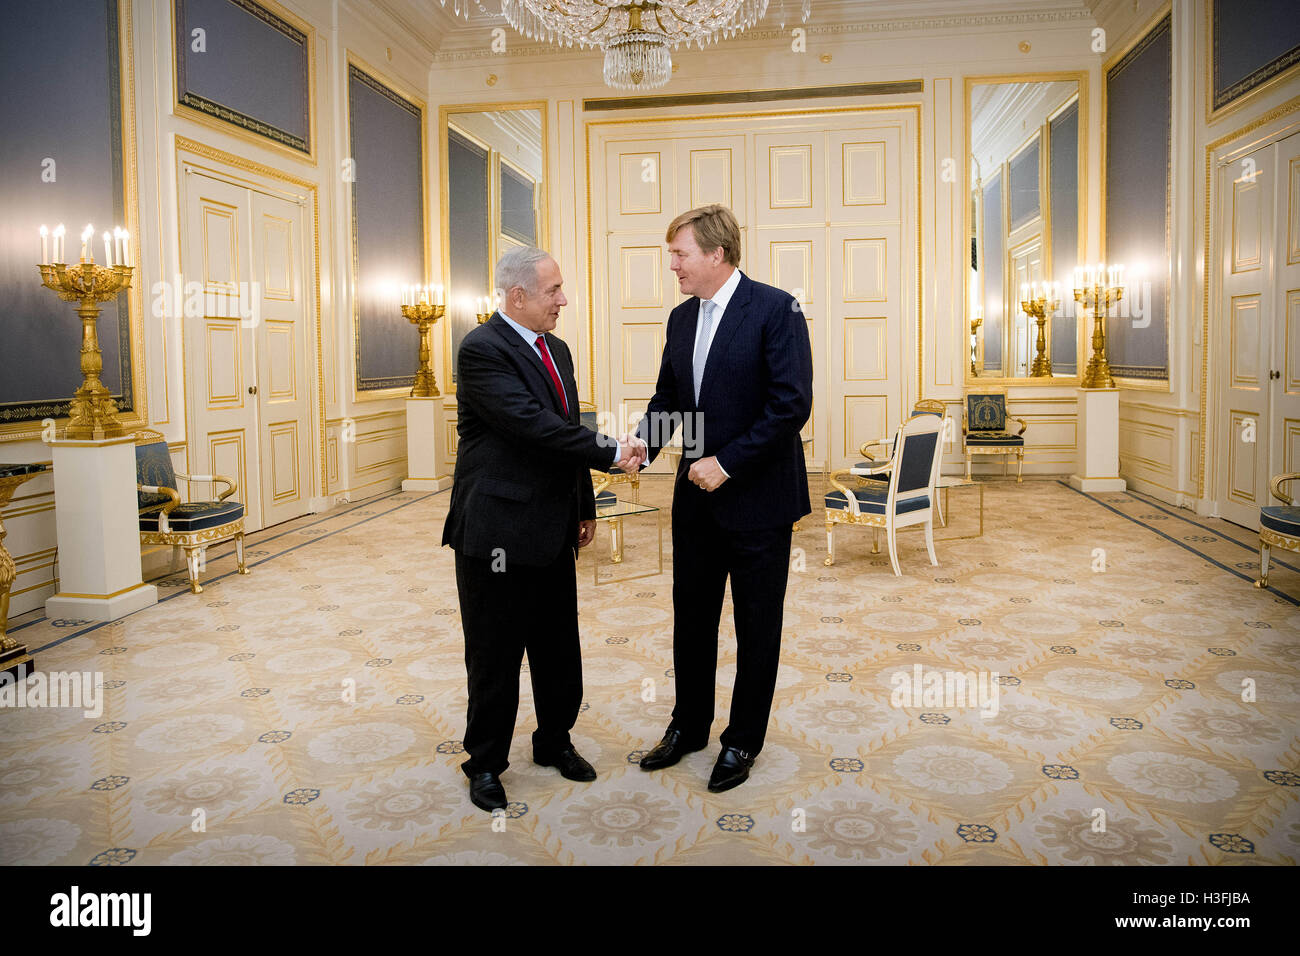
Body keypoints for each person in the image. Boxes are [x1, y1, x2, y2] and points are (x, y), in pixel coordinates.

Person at [442, 246, 644, 812]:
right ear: (517, 297)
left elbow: (564, 430)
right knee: (495, 654)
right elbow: (531, 428)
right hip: (498, 533)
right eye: (553, 290)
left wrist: (584, 505)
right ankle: (484, 763)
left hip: (552, 526)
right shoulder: (482, 349)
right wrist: (614, 450)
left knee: (560, 648)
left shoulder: (557, 348)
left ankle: (554, 741)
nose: (563, 300)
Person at [631, 204, 813, 793]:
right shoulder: (682, 318)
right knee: (693, 618)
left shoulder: (776, 308)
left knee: (757, 625)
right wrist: (642, 446)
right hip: (695, 501)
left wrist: (727, 464)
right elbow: (668, 399)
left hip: (759, 499)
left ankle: (741, 741)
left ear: (717, 254)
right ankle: (689, 727)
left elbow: (790, 405)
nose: (673, 265)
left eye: (680, 254)